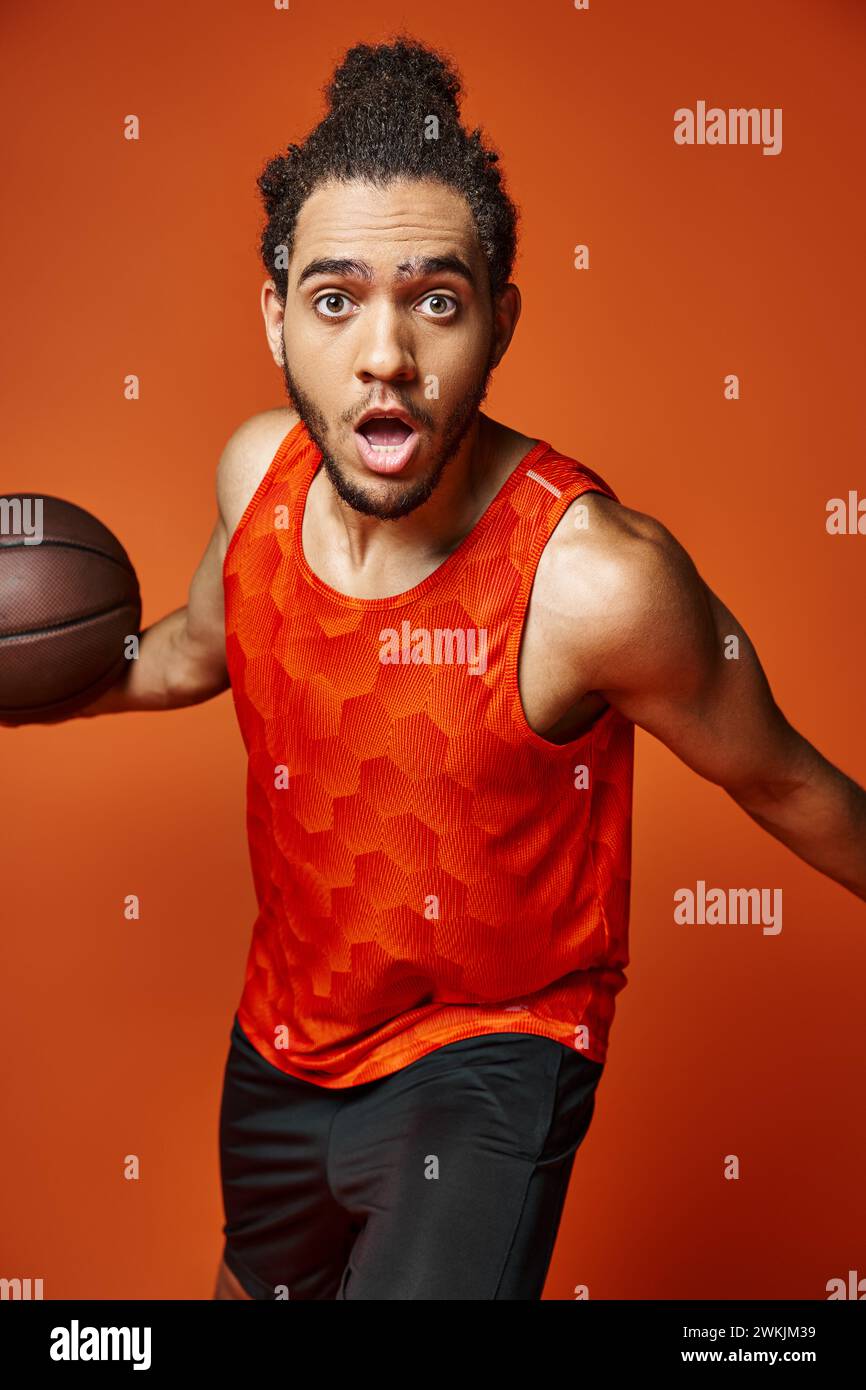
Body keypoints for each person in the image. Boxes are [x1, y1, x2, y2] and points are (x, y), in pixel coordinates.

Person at [56, 35, 866, 1299]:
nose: (384, 353)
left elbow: (781, 781)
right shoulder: (253, 477)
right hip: (282, 1045)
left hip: (489, 1054)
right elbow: (178, 655)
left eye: (435, 298)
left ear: (498, 319)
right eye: (334, 300)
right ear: (274, 311)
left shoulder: (592, 579)